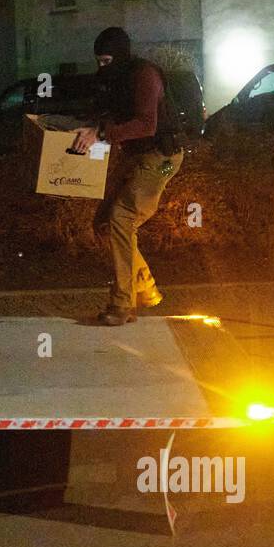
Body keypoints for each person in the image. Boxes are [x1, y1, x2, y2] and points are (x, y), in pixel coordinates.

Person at [71, 27, 184, 326]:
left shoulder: (144, 75)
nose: (101, 67)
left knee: (122, 218)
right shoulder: (117, 78)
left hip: (162, 157)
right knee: (105, 223)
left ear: (120, 56)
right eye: (98, 61)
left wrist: (102, 133)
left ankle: (123, 304)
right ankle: (144, 286)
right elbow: (112, 114)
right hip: (139, 156)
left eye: (106, 60)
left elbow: (146, 124)